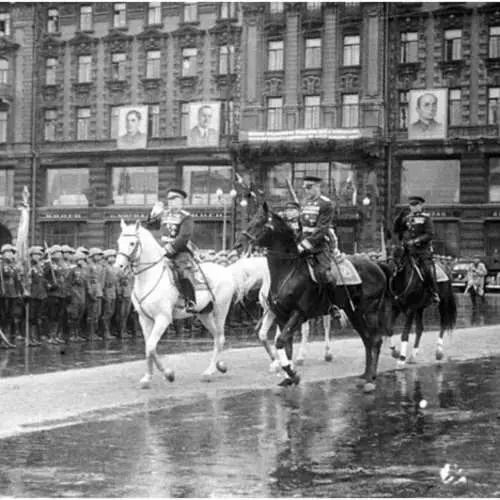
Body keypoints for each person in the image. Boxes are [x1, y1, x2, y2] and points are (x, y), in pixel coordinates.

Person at [145, 188, 199, 313]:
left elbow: (184, 237)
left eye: (174, 199)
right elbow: (150, 227)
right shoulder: (164, 214)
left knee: (183, 273)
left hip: (180, 251)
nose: (170, 202)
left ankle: (190, 301)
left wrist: (169, 250)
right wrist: (152, 214)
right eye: (169, 199)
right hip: (163, 251)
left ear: (181, 201)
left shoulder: (186, 217)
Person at [393, 195, 440, 303]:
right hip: (408, 251)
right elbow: (397, 230)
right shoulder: (407, 218)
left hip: (422, 251)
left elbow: (429, 234)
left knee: (428, 271)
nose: (413, 207)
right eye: (411, 205)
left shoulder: (426, 218)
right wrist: (399, 218)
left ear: (420, 206)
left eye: (415, 205)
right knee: (395, 267)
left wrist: (416, 241)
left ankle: (433, 292)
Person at [297, 176, 338, 301]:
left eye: (309, 188)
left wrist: (304, 245)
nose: (306, 191)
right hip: (301, 245)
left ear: (317, 187)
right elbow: (301, 227)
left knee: (325, 274)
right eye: (305, 188)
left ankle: (331, 304)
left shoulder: (326, 204)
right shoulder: (304, 203)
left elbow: (321, 230)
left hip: (318, 246)